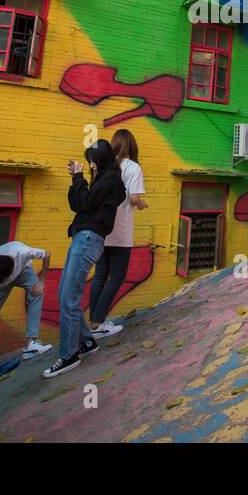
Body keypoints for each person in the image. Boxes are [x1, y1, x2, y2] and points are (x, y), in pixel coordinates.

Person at [44, 138, 126, 378]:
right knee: (63, 294)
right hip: (81, 237)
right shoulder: (102, 179)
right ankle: (87, 342)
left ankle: (69, 356)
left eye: (92, 162)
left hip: (89, 238)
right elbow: (78, 204)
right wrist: (76, 178)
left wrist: (80, 179)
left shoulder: (110, 178)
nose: (90, 166)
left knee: (69, 297)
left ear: (100, 159)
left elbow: (87, 203)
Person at [88, 129, 147, 338]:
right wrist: (142, 204)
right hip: (121, 230)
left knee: (100, 275)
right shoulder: (133, 167)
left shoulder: (105, 167)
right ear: (132, 145)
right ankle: (99, 321)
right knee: (117, 276)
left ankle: (93, 323)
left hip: (103, 229)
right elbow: (133, 198)